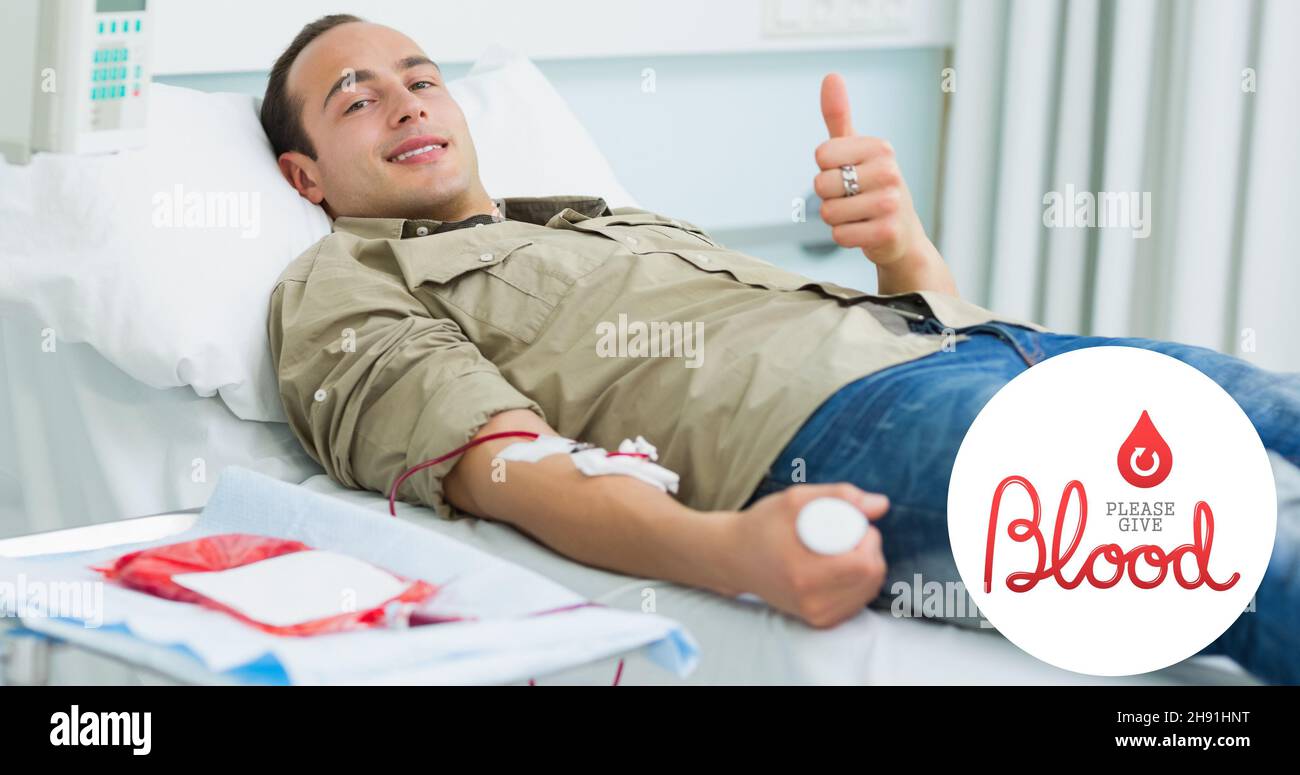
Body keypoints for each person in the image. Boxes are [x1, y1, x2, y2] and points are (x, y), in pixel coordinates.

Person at [262, 15, 1300, 682]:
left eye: (421, 77)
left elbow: (912, 313)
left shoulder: (599, 219)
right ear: (305, 175)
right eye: (356, 98)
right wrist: (730, 553)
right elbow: (510, 472)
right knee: (1246, 548)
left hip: (983, 345)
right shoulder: (341, 286)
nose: (403, 101)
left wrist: (900, 248)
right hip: (832, 429)